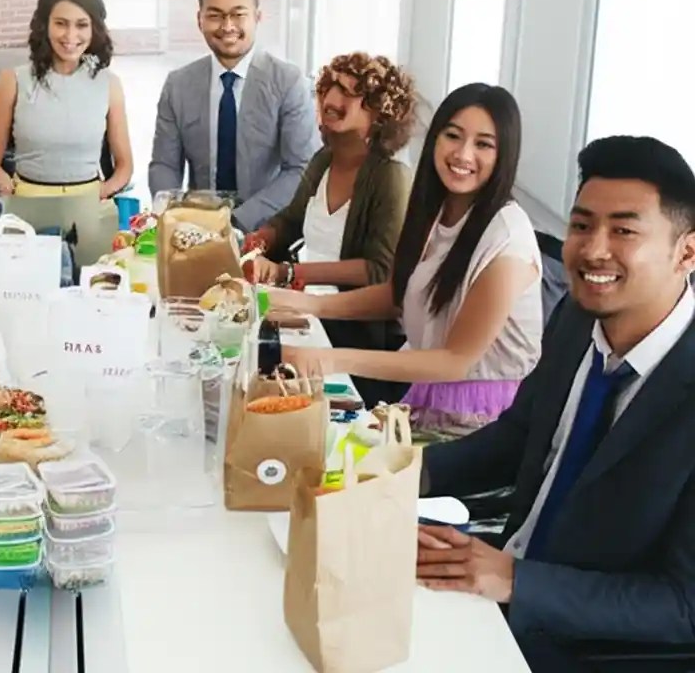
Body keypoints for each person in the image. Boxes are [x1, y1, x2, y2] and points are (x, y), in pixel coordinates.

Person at [416, 136, 695, 672]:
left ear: (686, 251)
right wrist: (405, 474)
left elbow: (683, 605)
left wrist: (515, 580)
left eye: (624, 231)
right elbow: (521, 435)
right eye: (583, 224)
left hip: (587, 645)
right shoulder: (577, 315)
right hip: (502, 580)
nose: (594, 250)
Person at [271, 84, 542, 439]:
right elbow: (400, 293)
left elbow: (454, 360)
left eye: (483, 144)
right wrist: (306, 303)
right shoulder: (438, 206)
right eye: (453, 136)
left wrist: (330, 359)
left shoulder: (507, 240)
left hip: (478, 425)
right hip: (423, 398)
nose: (462, 154)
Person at [245, 52, 417, 405]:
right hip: (307, 315)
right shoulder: (324, 160)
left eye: (350, 92)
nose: (331, 99)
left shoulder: (391, 177)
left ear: (378, 112)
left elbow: (378, 270)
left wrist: (290, 272)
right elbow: (291, 221)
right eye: (329, 86)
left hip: (356, 333)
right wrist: (259, 241)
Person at [149, 0, 321, 231]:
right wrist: (172, 215)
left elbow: (301, 169)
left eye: (238, 14)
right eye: (215, 15)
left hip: (269, 231)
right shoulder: (178, 85)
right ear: (200, 19)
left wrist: (236, 221)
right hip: (195, 230)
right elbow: (164, 164)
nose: (227, 26)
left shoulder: (288, 81)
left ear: (257, 17)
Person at [0, 0, 132, 264]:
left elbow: (125, 166)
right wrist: (16, 194)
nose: (70, 35)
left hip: (87, 208)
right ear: (44, 25)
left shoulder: (109, 85)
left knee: (92, 290)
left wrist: (100, 192)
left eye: (81, 25)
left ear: (94, 29)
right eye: (61, 23)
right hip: (27, 207)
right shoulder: (12, 81)